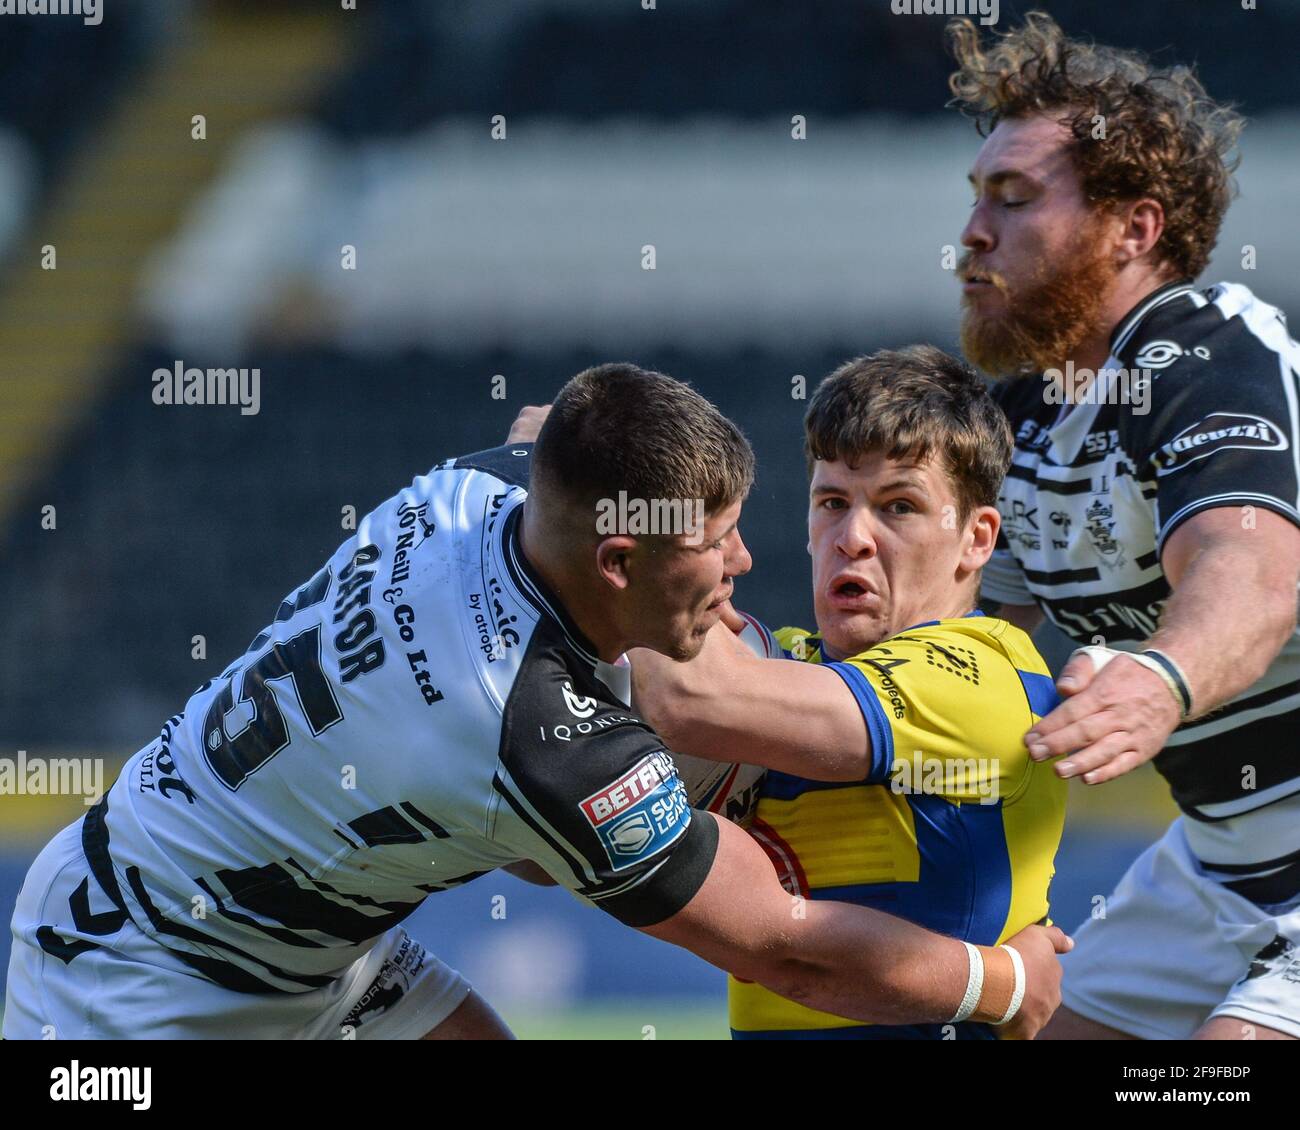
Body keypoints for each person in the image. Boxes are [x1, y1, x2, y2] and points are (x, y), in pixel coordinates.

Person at [3, 363, 1068, 1040]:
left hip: (298, 928)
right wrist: (1002, 984)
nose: (748, 558)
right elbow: (777, 941)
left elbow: (555, 421)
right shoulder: (545, 740)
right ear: (615, 559)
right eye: (714, 544)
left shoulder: (471, 489)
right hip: (139, 978)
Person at [948, 13, 1300, 1039]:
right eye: (973, 198)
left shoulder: (1200, 350)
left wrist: (1158, 676)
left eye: (1011, 199)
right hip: (1218, 866)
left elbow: (1254, 563)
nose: (973, 231)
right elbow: (967, 655)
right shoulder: (1022, 415)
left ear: (1132, 229)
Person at [632, 347, 1068, 1038]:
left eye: (899, 506)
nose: (853, 538)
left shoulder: (984, 677)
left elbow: (687, 695)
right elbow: (541, 856)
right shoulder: (778, 671)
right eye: (832, 502)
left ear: (977, 539)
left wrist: (566, 495)